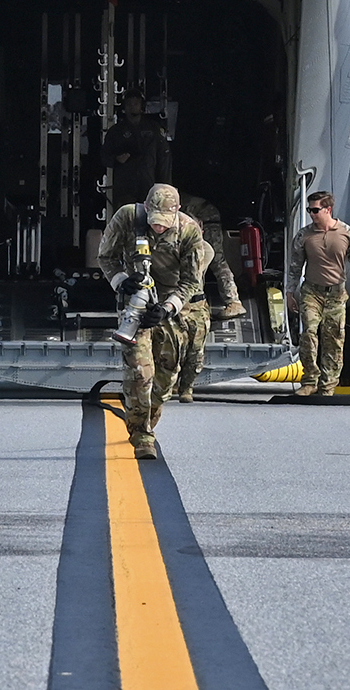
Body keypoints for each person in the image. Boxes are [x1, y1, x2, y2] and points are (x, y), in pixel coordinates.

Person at [98, 183, 213, 459]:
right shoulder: (128, 218)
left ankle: (149, 419)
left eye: (164, 224)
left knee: (164, 379)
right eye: (154, 222)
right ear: (146, 209)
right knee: (140, 372)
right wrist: (121, 281)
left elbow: (190, 282)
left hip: (172, 307)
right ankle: (142, 435)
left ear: (177, 213)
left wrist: (167, 308)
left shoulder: (188, 231)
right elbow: (106, 256)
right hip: (137, 303)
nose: (158, 228)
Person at [288, 190, 350, 398]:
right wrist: (290, 292)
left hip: (336, 293)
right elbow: (295, 266)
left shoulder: (347, 233)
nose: (312, 214)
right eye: (309, 210)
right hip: (311, 292)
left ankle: (328, 385)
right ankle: (309, 380)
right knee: (309, 333)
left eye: (315, 210)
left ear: (328, 210)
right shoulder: (304, 236)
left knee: (333, 339)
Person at [170, 192, 245, 404]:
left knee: (194, 352)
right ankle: (171, 385)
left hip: (192, 303)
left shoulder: (203, 248)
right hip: (177, 304)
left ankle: (186, 388)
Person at [103, 92, 171, 209]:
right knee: (126, 220)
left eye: (136, 103)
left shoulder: (154, 129)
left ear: (141, 106)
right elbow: (104, 157)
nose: (132, 106)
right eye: (129, 104)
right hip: (125, 186)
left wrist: (165, 187)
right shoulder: (116, 131)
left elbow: (164, 158)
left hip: (149, 183)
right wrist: (117, 159)